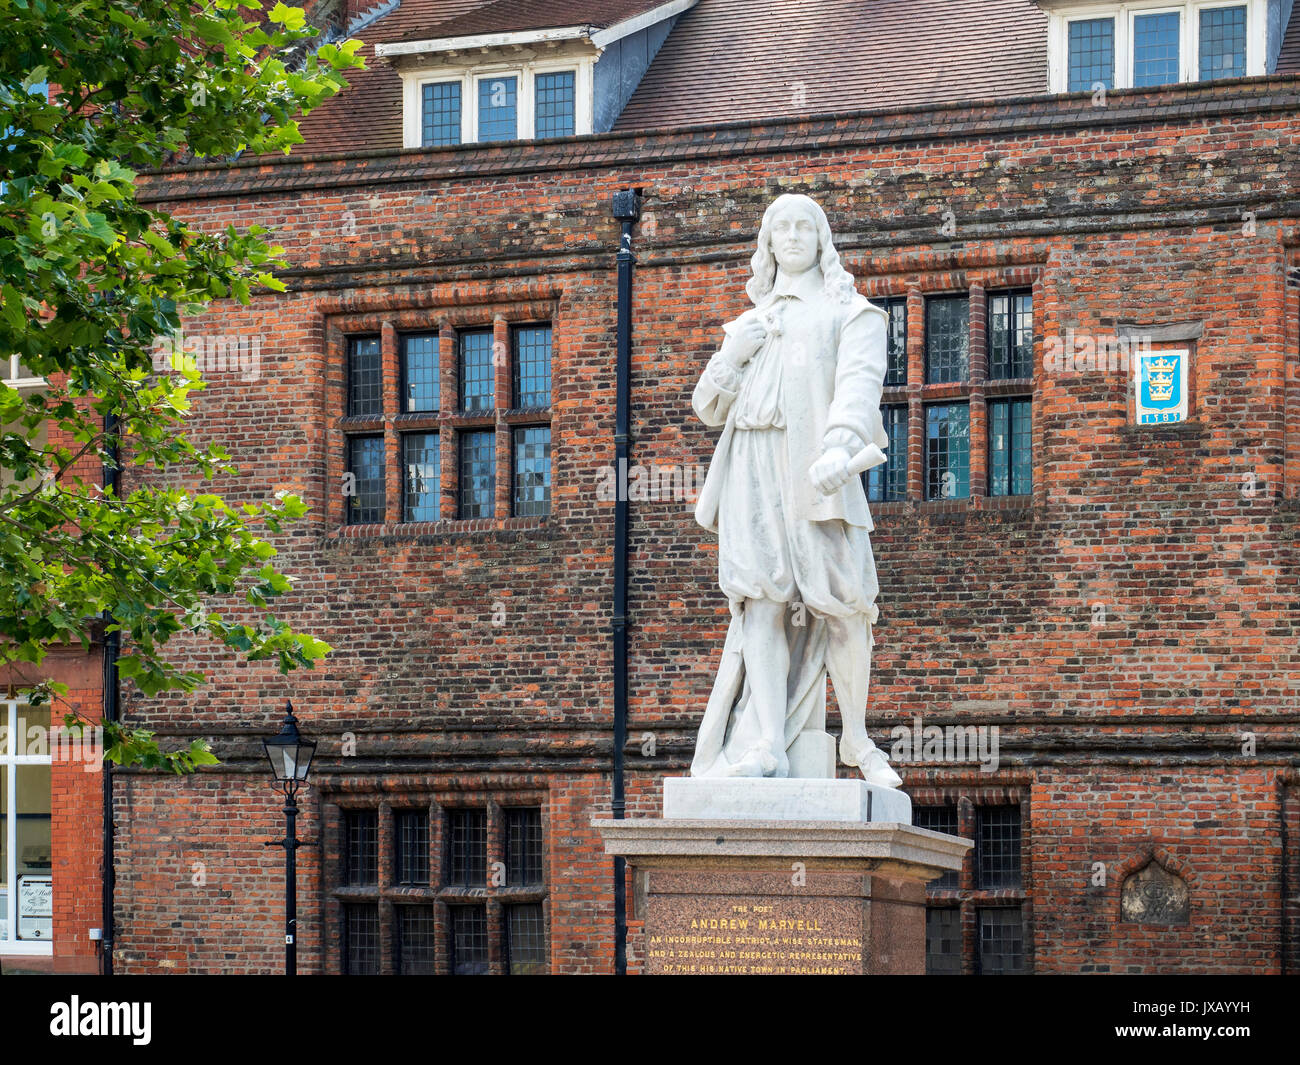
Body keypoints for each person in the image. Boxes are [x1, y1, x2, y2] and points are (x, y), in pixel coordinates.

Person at [688, 193, 902, 789]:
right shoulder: (749, 322)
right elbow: (707, 408)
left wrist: (839, 445)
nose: (791, 235)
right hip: (751, 466)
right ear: (767, 243)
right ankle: (765, 743)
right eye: (779, 227)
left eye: (803, 226)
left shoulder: (850, 312)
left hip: (814, 467)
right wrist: (733, 354)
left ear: (821, 238)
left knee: (846, 602)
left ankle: (856, 738)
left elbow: (859, 386)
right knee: (761, 601)